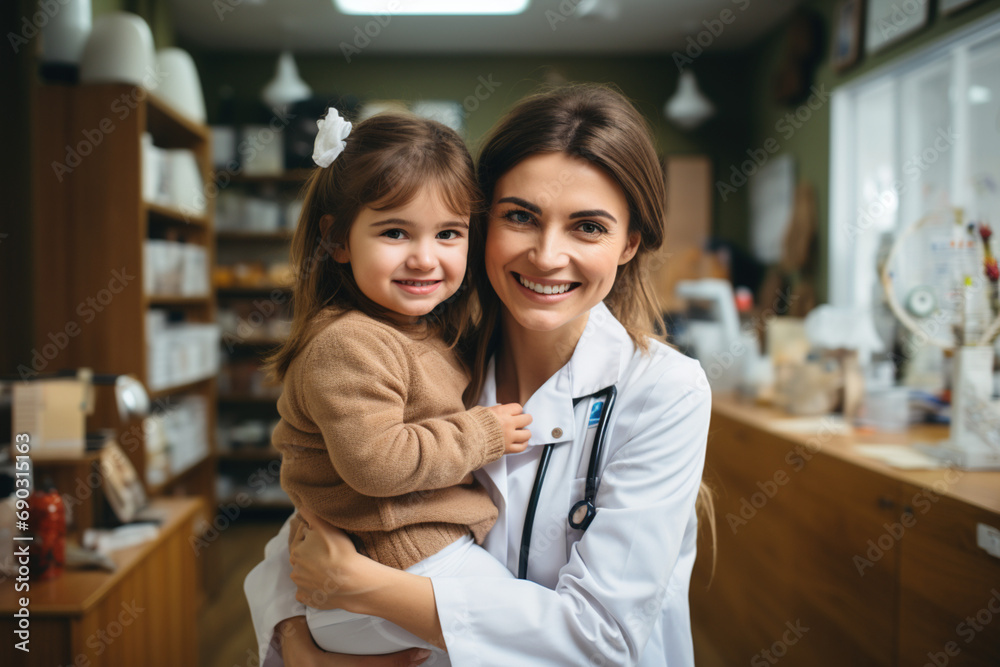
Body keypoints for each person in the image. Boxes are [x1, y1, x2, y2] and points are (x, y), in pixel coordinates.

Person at [245, 84, 714, 667]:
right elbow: (320, 510)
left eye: (588, 227)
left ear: (628, 244)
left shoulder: (664, 391)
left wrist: (366, 589)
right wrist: (296, 641)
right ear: (481, 221)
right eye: (520, 217)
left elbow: (603, 640)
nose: (546, 255)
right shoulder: (435, 355)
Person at [256, 109, 532, 659]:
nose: (424, 257)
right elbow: (377, 462)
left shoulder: (421, 330)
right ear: (337, 240)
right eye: (395, 231)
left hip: (399, 560)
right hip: (399, 560)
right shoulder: (351, 343)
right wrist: (481, 433)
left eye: (448, 233)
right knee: (529, 641)